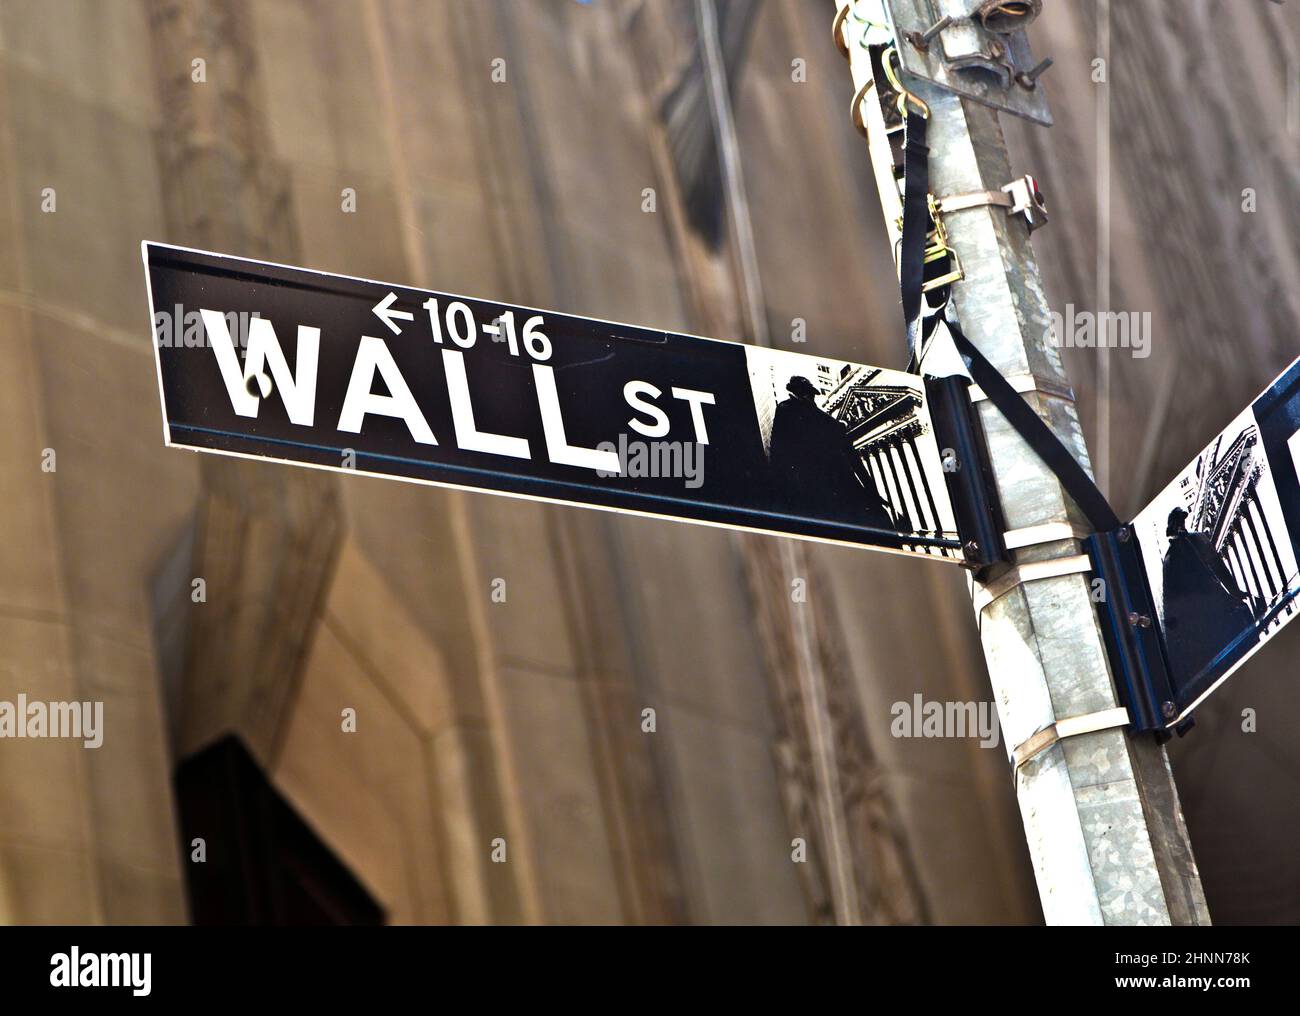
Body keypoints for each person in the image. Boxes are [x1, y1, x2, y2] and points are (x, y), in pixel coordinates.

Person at [768, 375, 896, 533]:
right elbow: (854, 459)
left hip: (820, 491)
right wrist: (872, 492)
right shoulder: (817, 418)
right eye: (810, 394)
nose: (812, 398)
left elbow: (777, 452)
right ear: (804, 394)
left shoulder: (817, 418)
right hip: (828, 489)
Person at [1160, 506, 1257, 683]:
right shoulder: (1173, 557)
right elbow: (1172, 601)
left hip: (1212, 605)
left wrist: (1235, 591)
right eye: (1178, 524)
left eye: (1182, 522)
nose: (1181, 527)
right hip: (1203, 613)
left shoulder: (1195, 541)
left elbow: (1218, 566)